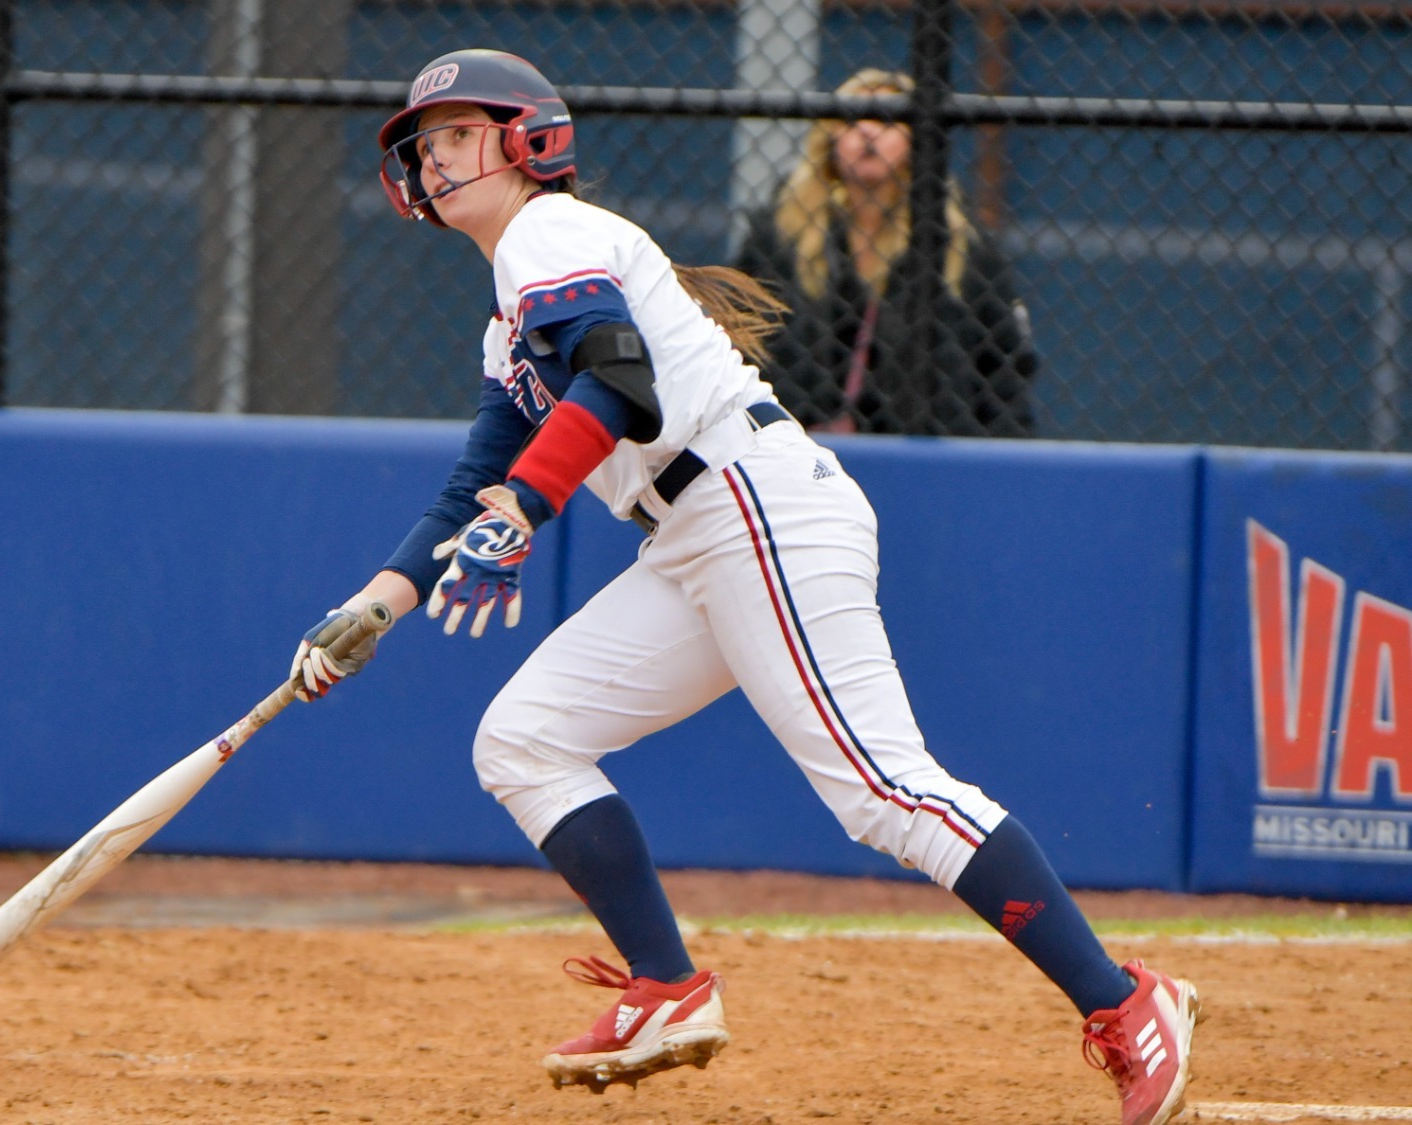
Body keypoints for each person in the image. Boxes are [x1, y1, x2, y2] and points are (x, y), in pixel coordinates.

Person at [289, 49, 1197, 1125]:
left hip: (748, 501)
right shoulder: (507, 314)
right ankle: (665, 989)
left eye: (456, 134)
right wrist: (372, 608)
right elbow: (474, 480)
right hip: (690, 536)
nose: (435, 159)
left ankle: (1125, 1001)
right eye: (424, 145)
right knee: (522, 738)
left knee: (880, 791)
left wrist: (529, 510)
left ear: (528, 140)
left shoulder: (549, 229)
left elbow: (616, 379)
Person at [733, 68, 1038, 437]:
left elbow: (1003, 361)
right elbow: (740, 337)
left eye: (888, 120)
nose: (868, 131)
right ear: (829, 140)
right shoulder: (780, 234)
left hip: (928, 442)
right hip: (795, 438)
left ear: (916, 142)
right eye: (851, 120)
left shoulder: (956, 241)